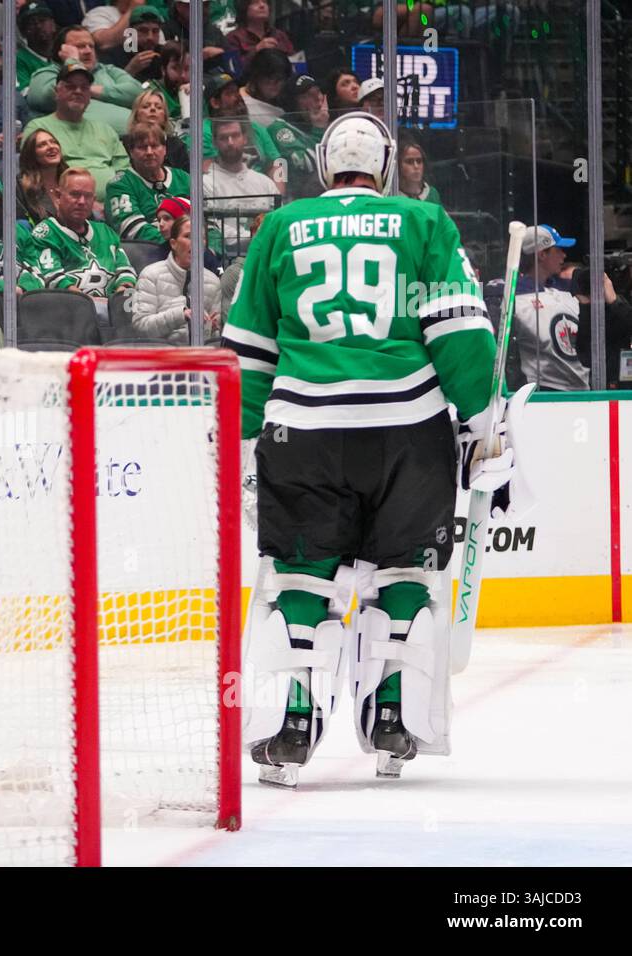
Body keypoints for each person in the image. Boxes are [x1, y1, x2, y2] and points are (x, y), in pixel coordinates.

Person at [222, 112, 520, 786]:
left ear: (324, 165)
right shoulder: (421, 222)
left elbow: (249, 352)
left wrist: (243, 441)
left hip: (303, 431)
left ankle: (293, 721)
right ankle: (391, 715)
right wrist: (483, 420)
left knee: (301, 578)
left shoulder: (280, 227)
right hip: (406, 431)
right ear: (385, 166)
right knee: (406, 575)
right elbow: (459, 330)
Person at [485, 224, 586, 391]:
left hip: (582, 389)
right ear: (542, 254)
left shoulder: (565, 288)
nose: (564, 255)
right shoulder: (509, 292)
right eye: (558, 249)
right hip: (541, 391)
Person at [28, 166, 136, 309]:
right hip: (69, 314)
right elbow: (53, 279)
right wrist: (93, 306)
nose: (82, 201)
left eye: (88, 196)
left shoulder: (105, 232)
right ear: (58, 196)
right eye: (75, 194)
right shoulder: (45, 233)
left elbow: (126, 272)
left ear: (94, 200)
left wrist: (120, 297)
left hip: (112, 311)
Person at [23, 61, 129, 200]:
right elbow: (33, 173)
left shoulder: (105, 129)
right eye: (70, 87)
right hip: (66, 205)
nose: (78, 91)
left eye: (84, 88)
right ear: (56, 91)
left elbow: (124, 171)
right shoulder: (38, 127)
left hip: (114, 202)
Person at [25, 24, 145, 135]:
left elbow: (139, 94)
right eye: (80, 46)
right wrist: (72, 63)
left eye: (91, 46)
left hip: (136, 140)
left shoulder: (108, 70)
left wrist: (90, 90)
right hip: (88, 144)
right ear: (62, 52)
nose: (88, 51)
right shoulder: (48, 73)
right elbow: (45, 97)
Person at [133, 214, 222, 343]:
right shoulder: (150, 276)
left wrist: (212, 329)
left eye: (201, 237)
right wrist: (181, 315)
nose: (196, 242)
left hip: (198, 358)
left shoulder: (213, 282)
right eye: (188, 236)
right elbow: (140, 327)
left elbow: (215, 340)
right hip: (162, 358)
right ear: (173, 244)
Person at [202, 118, 280, 257]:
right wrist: (255, 237)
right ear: (214, 142)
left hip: (267, 257)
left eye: (235, 136)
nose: (230, 142)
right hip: (227, 260)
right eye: (224, 138)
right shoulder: (205, 183)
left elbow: (280, 222)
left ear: (245, 138)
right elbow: (212, 229)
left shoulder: (266, 183)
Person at [106, 121, 191, 244]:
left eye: (155, 146)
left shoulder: (184, 178)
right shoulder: (120, 185)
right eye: (142, 147)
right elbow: (131, 229)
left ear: (165, 149)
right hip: (148, 255)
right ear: (131, 152)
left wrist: (213, 249)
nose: (149, 152)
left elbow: (207, 222)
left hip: (189, 251)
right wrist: (176, 245)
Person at [266, 74, 331, 199]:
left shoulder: (330, 126)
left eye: (317, 93)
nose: (317, 99)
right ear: (293, 101)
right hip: (295, 200)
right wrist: (319, 130)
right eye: (307, 96)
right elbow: (305, 164)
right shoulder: (279, 129)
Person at [16, 1, 57, 93]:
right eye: (31, 23)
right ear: (23, 32)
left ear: (53, 25)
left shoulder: (61, 53)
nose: (38, 26)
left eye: (42, 20)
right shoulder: (18, 60)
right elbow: (24, 94)